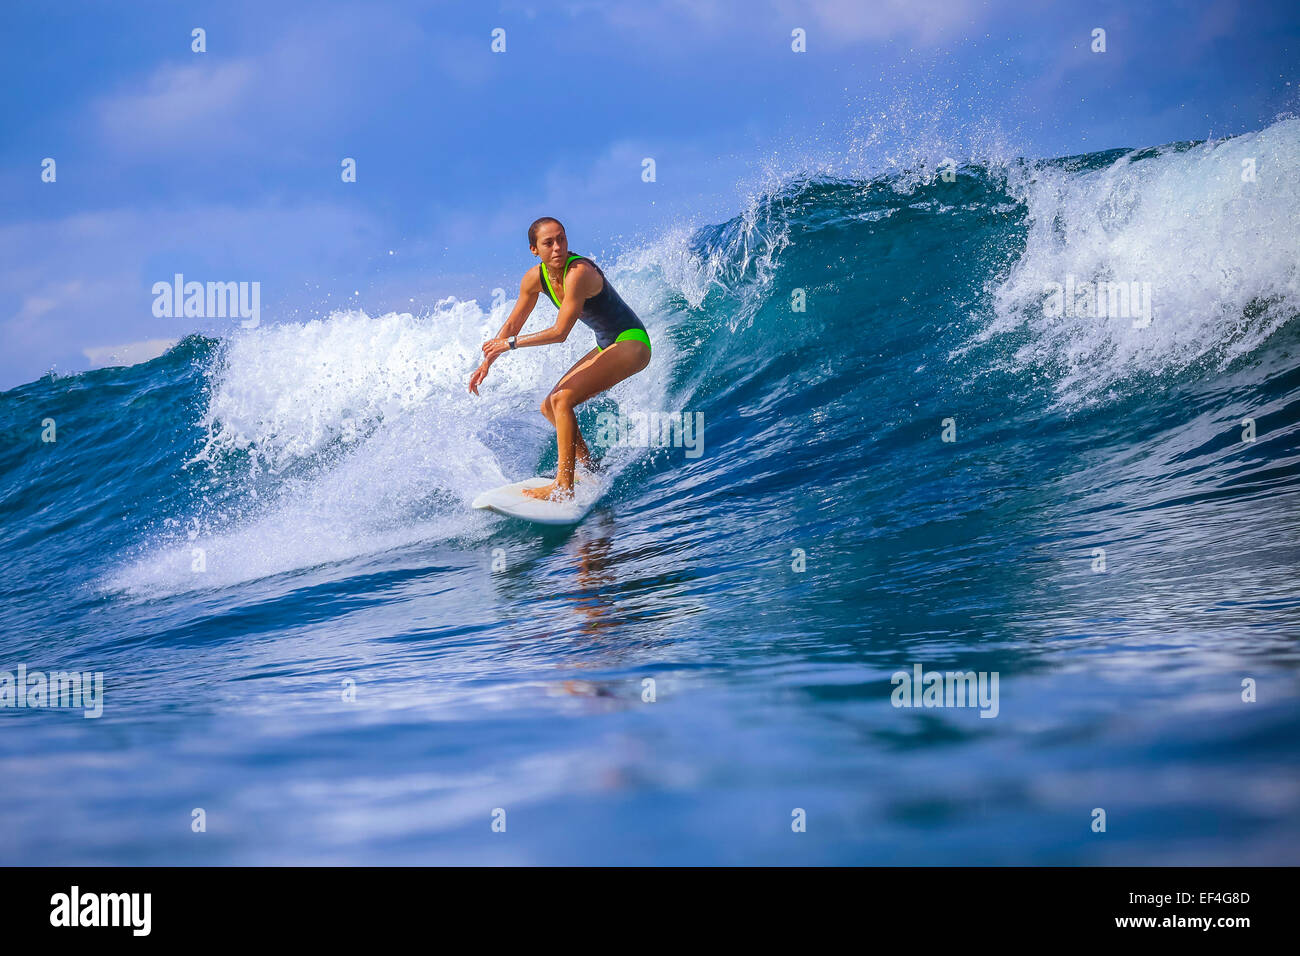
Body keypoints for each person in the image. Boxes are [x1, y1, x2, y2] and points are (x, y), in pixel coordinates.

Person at [469, 217, 651, 501]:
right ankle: (589, 468)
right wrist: (487, 362)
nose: (557, 247)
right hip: (608, 344)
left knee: (562, 399)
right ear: (534, 249)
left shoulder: (578, 272)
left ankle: (563, 486)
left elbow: (560, 332)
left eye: (561, 239)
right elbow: (513, 324)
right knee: (548, 407)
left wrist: (510, 344)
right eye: (548, 243)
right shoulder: (534, 279)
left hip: (632, 342)